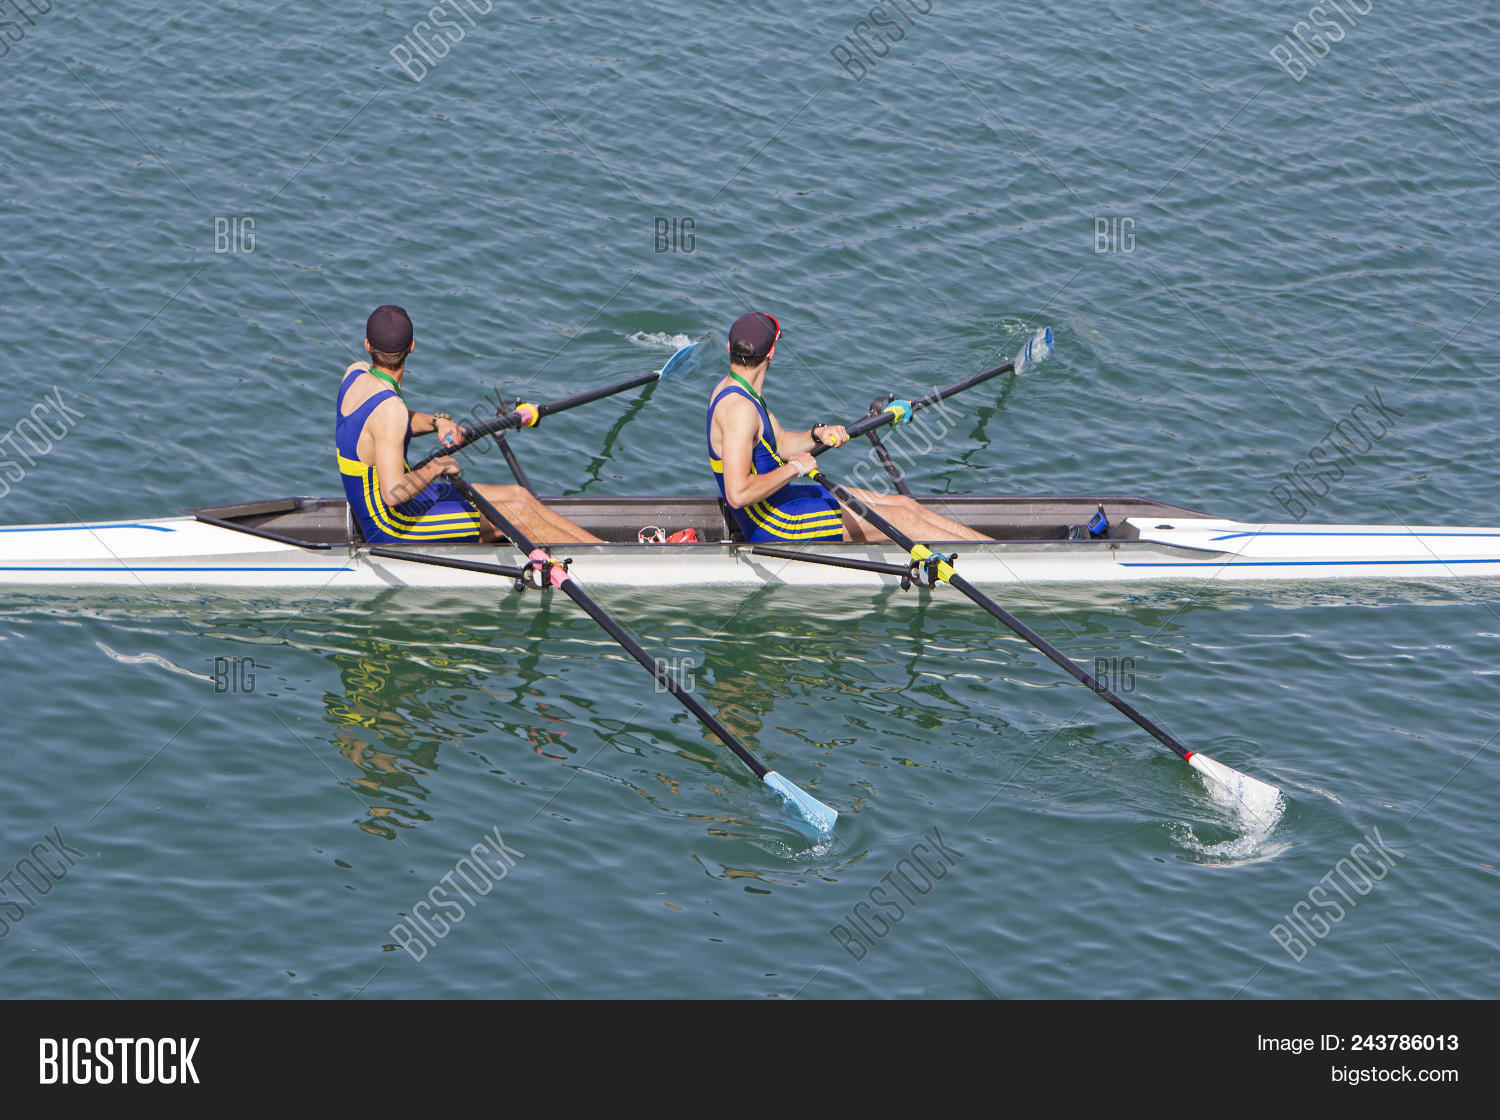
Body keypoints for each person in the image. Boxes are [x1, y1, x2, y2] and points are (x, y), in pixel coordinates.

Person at [706, 311, 990, 543]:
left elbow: (778, 443)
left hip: (784, 500)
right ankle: (993, 564)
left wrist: (817, 435)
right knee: (903, 521)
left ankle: (995, 549)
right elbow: (738, 494)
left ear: (730, 349)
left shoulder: (739, 389)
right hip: (777, 523)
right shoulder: (739, 410)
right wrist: (796, 468)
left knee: (906, 506)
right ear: (771, 353)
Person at [335, 305, 601, 544]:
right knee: (518, 515)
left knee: (519, 495)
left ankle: (605, 551)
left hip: (409, 504)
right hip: (390, 526)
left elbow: (385, 427)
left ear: (368, 345)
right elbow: (392, 494)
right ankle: (603, 563)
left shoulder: (355, 373)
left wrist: (438, 422)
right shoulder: (390, 409)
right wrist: (436, 467)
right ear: (412, 347)